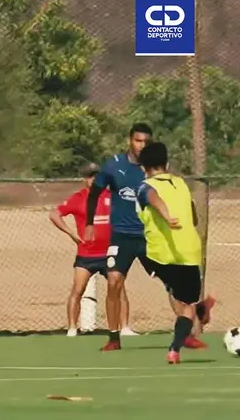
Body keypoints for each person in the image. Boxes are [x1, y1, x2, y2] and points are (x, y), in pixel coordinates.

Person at [85, 123, 214, 351]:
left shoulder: (156, 172)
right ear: (129, 140)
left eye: (146, 141)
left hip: (149, 238)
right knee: (114, 282)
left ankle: (186, 333)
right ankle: (114, 338)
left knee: (172, 286)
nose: (141, 145)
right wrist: (89, 223)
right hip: (122, 237)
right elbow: (95, 192)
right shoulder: (114, 166)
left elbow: (160, 196)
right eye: (137, 140)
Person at [135, 142, 207, 364]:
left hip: (160, 257)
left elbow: (152, 196)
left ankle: (195, 311)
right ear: (167, 163)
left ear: (143, 167)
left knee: (184, 299)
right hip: (189, 253)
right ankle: (175, 348)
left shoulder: (143, 186)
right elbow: (194, 217)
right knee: (189, 305)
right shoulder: (182, 184)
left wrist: (165, 214)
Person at [49, 162, 138, 337]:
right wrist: (71, 234)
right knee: (77, 291)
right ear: (84, 179)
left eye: (96, 175)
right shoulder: (78, 198)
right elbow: (54, 214)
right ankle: (72, 329)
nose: (93, 179)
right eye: (89, 176)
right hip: (86, 254)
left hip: (109, 253)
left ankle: (125, 327)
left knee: (118, 289)